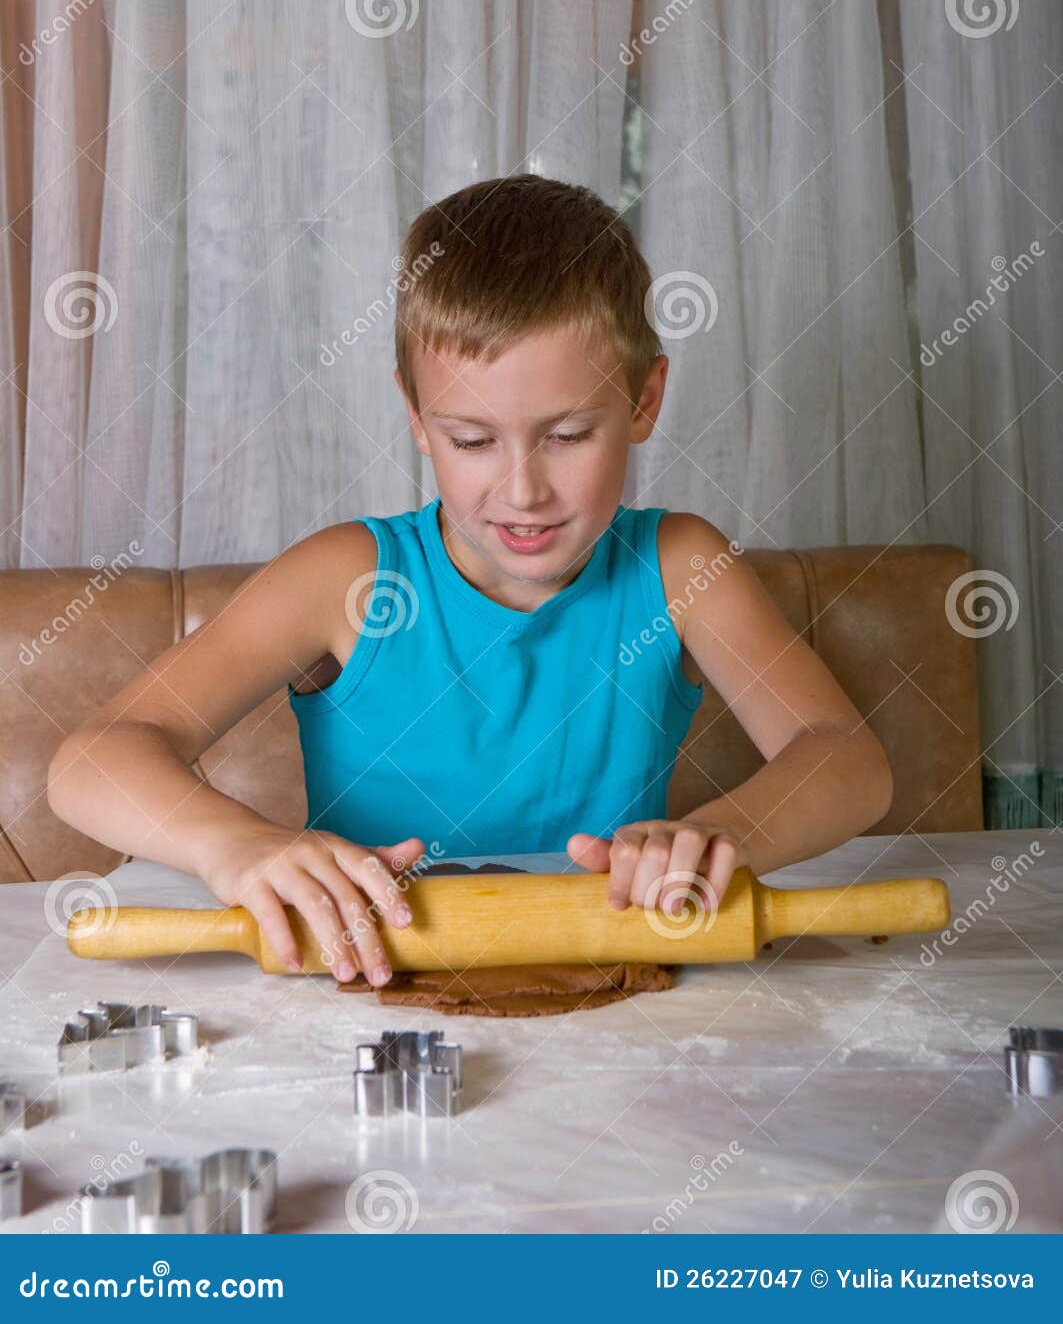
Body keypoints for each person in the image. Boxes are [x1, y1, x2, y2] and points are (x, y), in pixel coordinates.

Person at [47, 175, 892, 987]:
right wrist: (237, 845)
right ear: (417, 419)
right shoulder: (346, 577)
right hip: (365, 989)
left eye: (567, 435)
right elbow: (95, 758)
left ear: (643, 400)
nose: (522, 490)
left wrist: (719, 835)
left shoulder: (679, 567)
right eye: (472, 440)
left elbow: (845, 757)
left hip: (618, 1000)